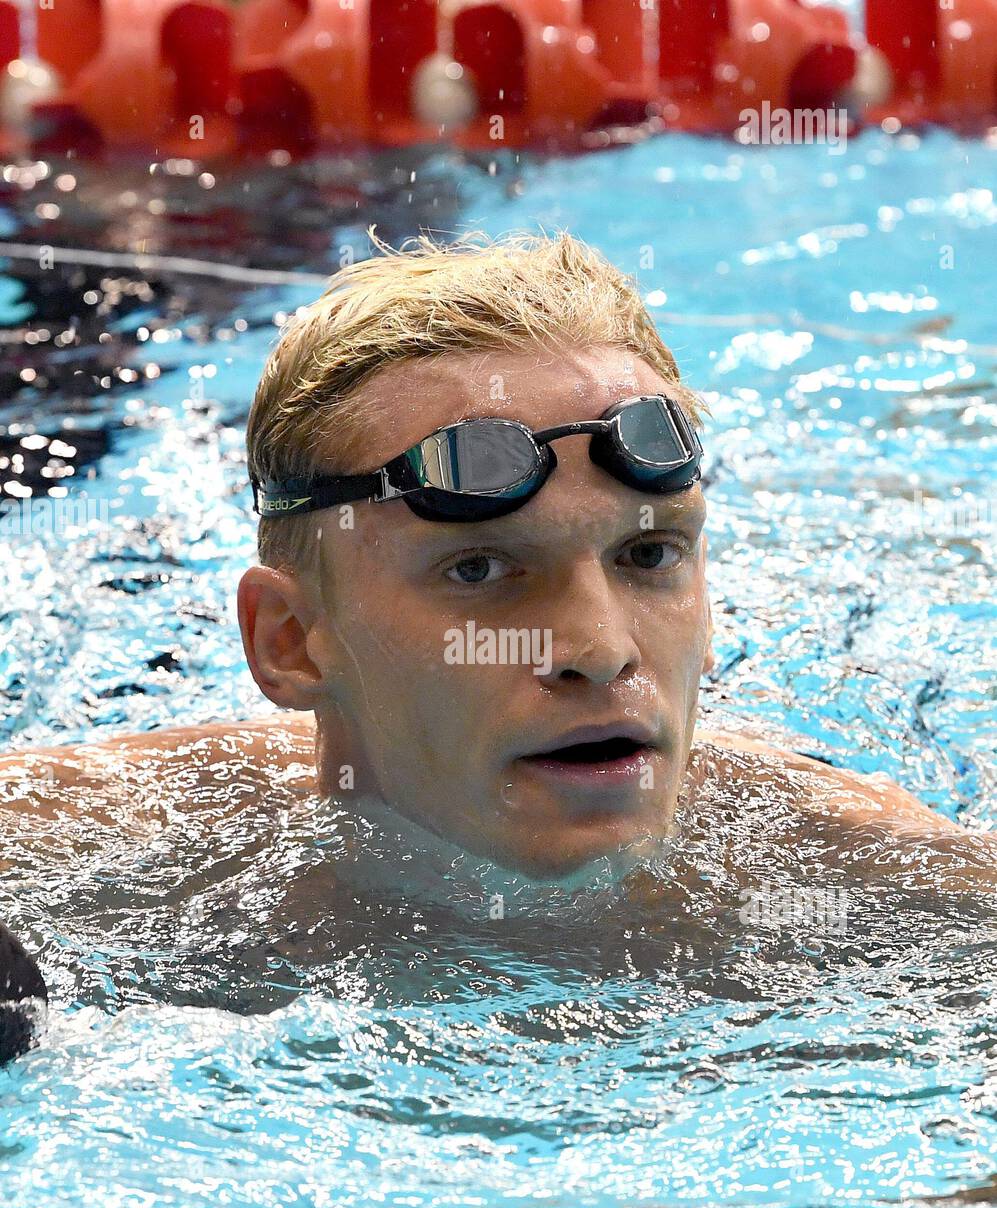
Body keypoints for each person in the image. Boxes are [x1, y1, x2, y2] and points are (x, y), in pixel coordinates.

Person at [1, 231, 993, 1061]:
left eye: (649, 555)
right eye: (479, 571)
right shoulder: (116, 851)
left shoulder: (856, 885)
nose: (599, 653)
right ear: (293, 642)